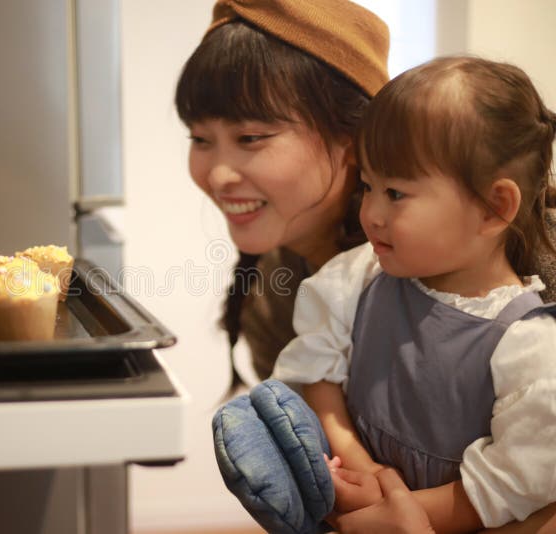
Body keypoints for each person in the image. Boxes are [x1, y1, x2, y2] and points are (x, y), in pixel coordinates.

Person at [175, 0, 556, 531]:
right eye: (199, 138)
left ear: (351, 138)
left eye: (251, 138)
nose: (216, 175)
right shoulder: (287, 291)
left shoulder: (530, 275)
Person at [269, 55, 556, 532]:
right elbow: (316, 371)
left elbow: (512, 485)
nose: (371, 214)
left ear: (493, 206)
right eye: (368, 186)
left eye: (396, 193)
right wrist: (364, 470)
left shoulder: (531, 348)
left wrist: (399, 511)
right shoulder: (358, 276)